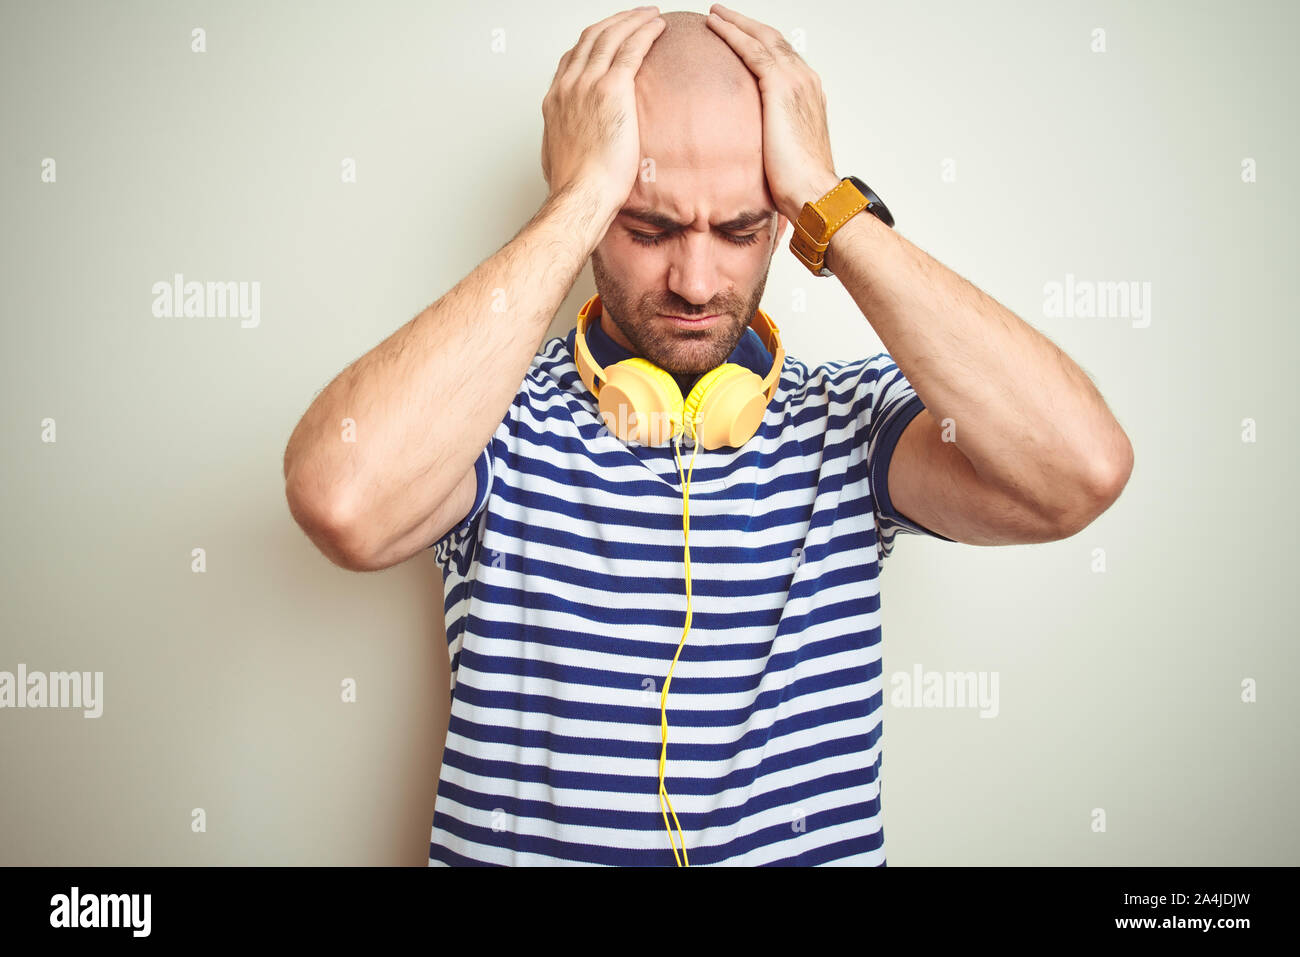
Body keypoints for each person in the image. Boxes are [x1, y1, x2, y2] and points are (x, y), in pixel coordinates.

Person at [283, 5, 1133, 866]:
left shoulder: (851, 422)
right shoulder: (488, 417)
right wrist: (578, 196)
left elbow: (1080, 470)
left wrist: (826, 201)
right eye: (647, 226)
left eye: (740, 229)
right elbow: (342, 499)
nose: (696, 281)